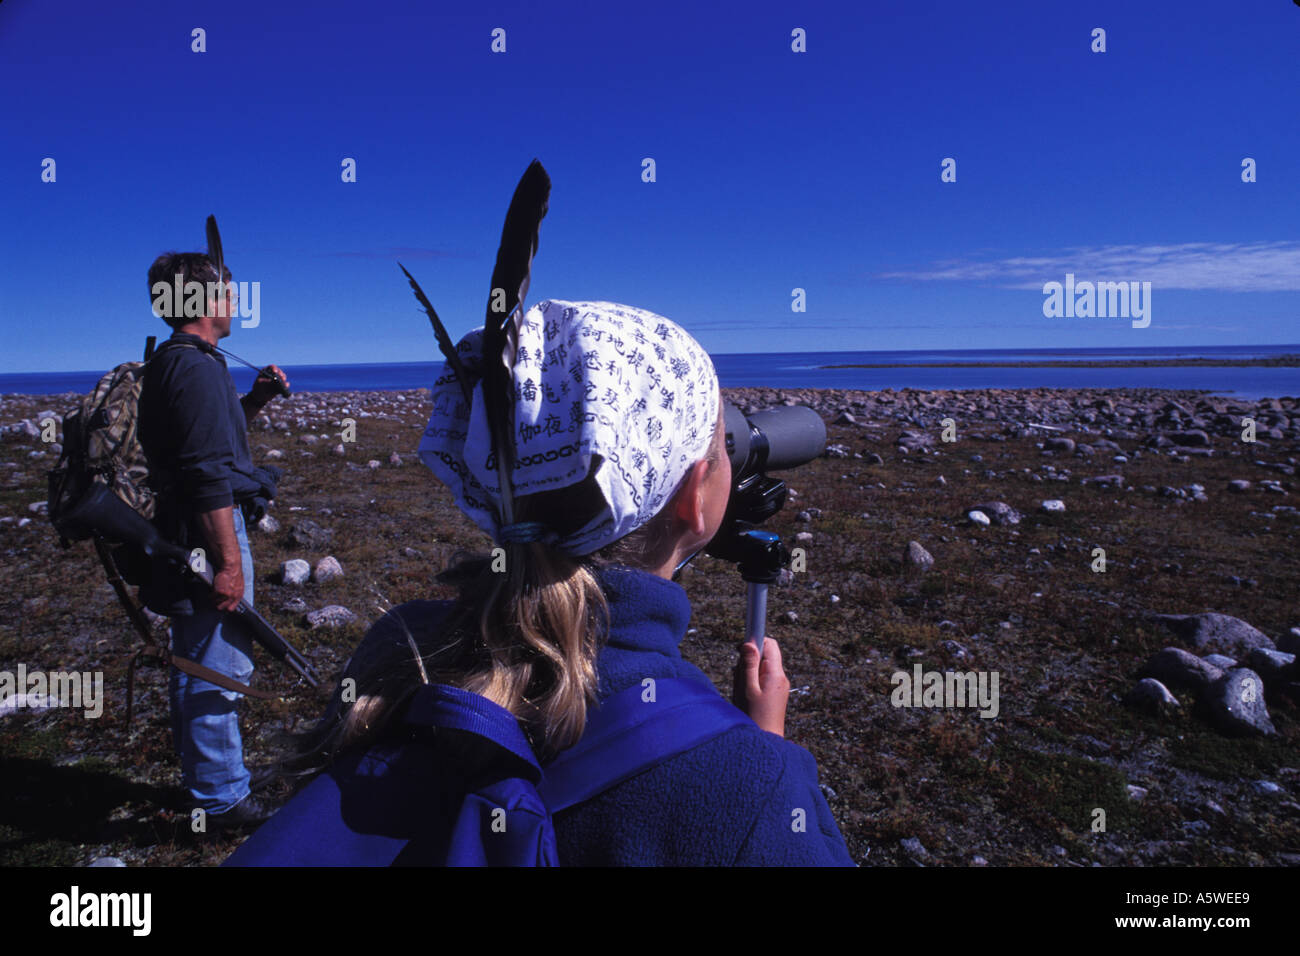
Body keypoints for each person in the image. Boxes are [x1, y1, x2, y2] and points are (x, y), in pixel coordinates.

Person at [236, 299, 853, 864]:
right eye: (719, 448)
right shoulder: (747, 785)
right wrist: (765, 748)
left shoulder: (399, 644)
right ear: (696, 498)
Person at [138, 249, 289, 828]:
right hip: (205, 535)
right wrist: (229, 563)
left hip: (186, 533)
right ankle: (222, 800)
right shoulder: (195, 368)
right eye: (229, 292)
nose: (235, 304)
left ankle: (208, 781)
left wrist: (256, 400)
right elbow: (206, 475)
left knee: (197, 657)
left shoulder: (182, 361)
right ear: (204, 301)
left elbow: (210, 444)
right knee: (220, 665)